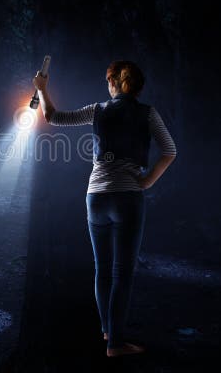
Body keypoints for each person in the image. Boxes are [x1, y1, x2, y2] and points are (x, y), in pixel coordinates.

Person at [32, 60, 177, 357]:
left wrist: (42, 89)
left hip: (95, 196)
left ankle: (109, 329)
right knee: (123, 272)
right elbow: (170, 151)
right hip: (128, 197)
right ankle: (116, 344)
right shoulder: (148, 113)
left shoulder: (97, 110)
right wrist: (147, 181)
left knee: (102, 269)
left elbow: (52, 116)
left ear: (113, 82)